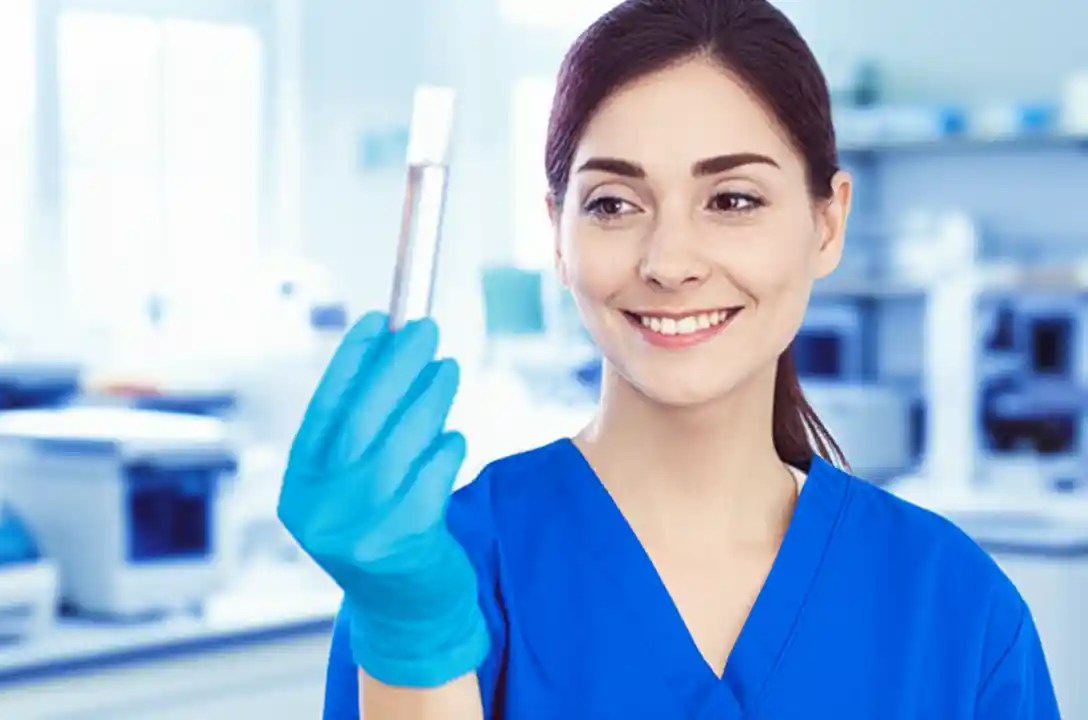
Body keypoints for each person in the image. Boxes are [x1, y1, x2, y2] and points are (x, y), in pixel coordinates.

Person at [277, 0, 1061, 717]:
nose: (671, 261)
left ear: (828, 224)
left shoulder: (956, 611)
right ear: (557, 233)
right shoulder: (435, 579)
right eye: (614, 205)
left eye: (732, 200)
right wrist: (413, 643)